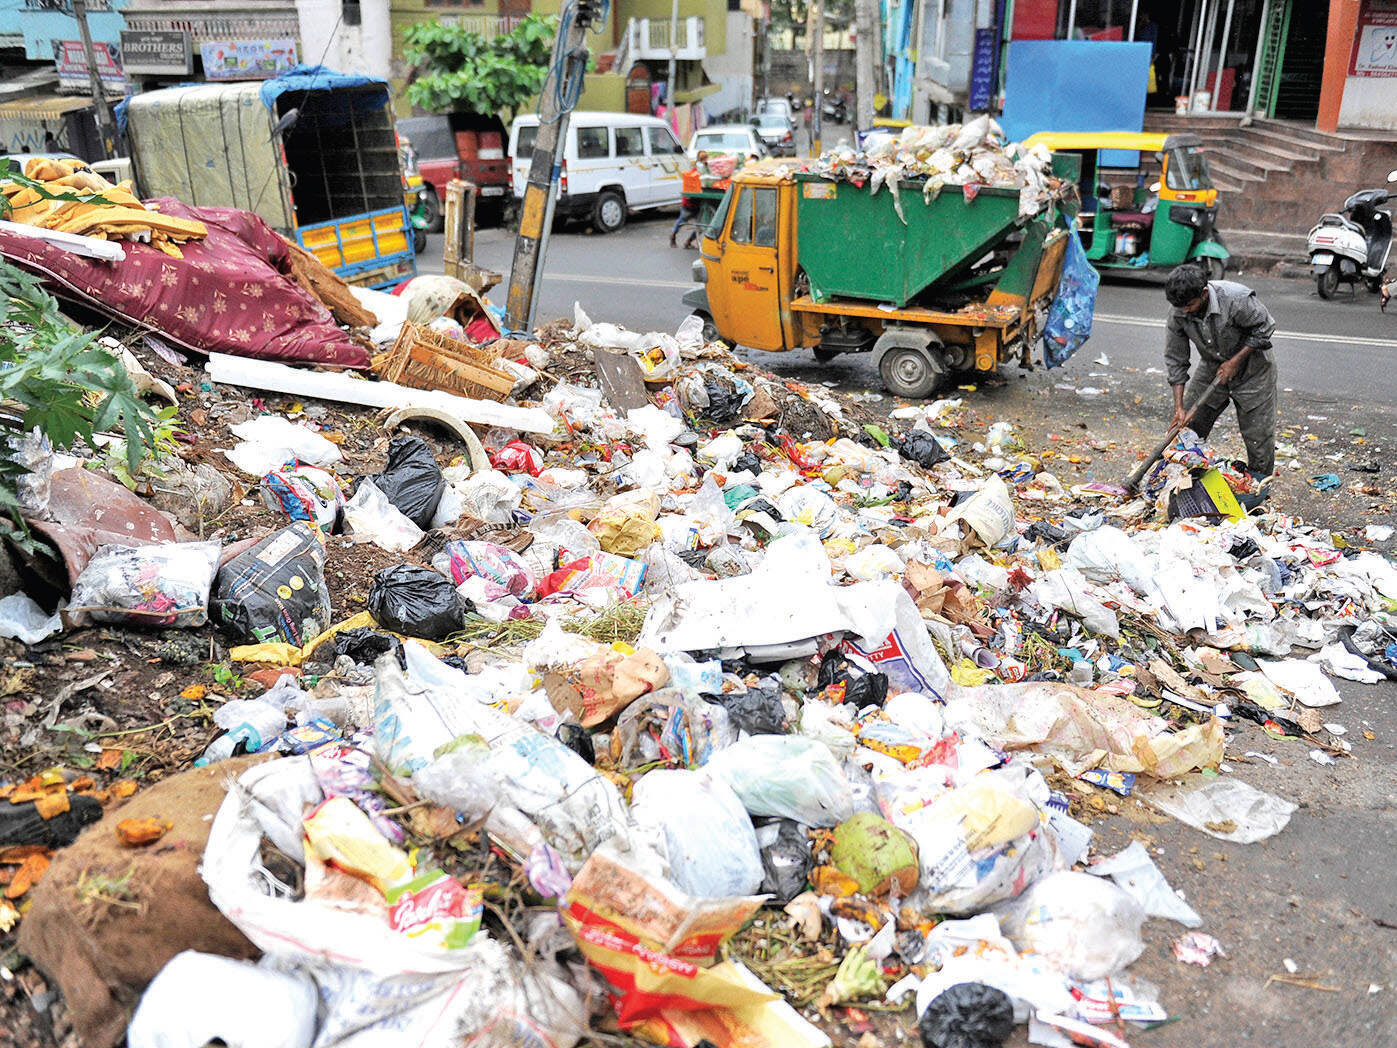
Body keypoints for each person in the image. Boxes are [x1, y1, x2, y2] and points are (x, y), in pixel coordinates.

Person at [1164, 263, 1278, 478]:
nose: (1185, 311)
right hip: (1212, 368)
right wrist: (1179, 407)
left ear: (1204, 293)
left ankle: (1258, 487)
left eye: (1189, 305)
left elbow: (1265, 328)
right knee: (1188, 427)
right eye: (1180, 307)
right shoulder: (1179, 310)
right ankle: (1186, 478)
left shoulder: (1236, 299)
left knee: (1258, 436)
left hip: (1254, 371)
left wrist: (1235, 361)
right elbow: (1176, 359)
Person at [671, 151, 709, 249]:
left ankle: (688, 241)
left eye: (706, 159)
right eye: (703, 159)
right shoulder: (695, 172)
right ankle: (673, 236)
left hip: (698, 204)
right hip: (689, 204)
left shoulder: (707, 172)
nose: (705, 161)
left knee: (700, 225)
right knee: (682, 221)